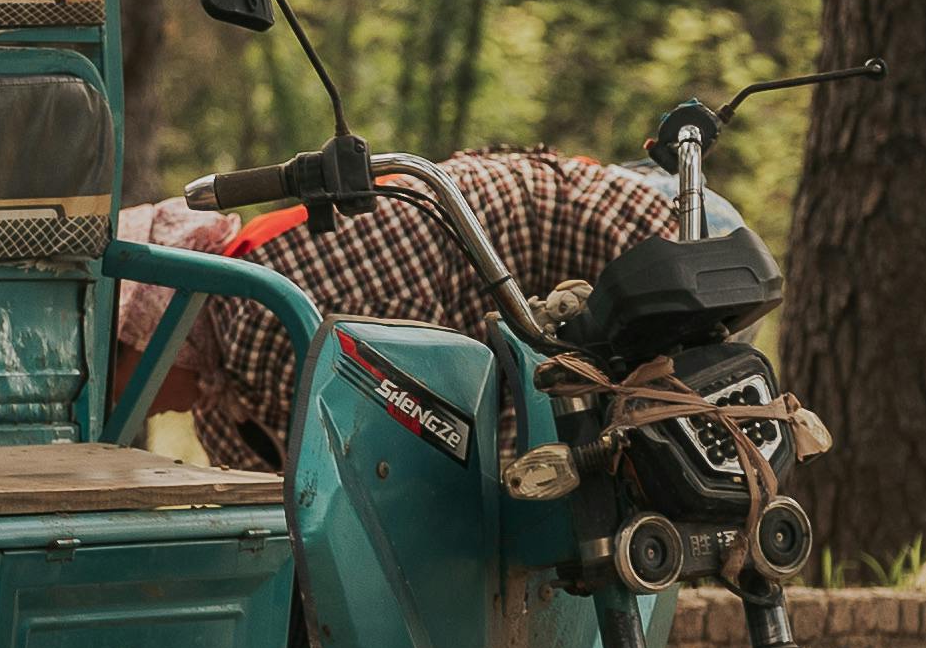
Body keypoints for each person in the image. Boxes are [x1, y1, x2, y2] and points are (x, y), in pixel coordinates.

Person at [128, 148, 691, 473]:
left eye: (116, 365)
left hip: (632, 232)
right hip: (536, 324)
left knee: (680, 468)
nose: (125, 406)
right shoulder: (227, 402)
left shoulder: (265, 313)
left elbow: (432, 428)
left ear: (154, 329)